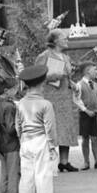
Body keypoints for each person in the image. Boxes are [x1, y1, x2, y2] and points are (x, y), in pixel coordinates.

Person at [16, 63, 61, 193]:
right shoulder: (45, 104)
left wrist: (22, 139)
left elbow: (18, 125)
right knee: (43, 174)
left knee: (26, 175)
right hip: (41, 140)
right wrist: (53, 145)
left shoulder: (20, 103)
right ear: (42, 83)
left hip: (25, 141)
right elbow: (50, 128)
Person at [36, 30, 81, 173]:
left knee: (65, 128)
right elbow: (37, 76)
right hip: (51, 97)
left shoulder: (66, 57)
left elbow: (67, 76)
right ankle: (48, 160)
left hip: (65, 98)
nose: (66, 39)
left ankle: (64, 161)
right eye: (63, 38)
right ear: (54, 41)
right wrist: (55, 75)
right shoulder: (44, 56)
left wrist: (72, 83)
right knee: (51, 128)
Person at [74, 63, 97, 170]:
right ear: (88, 72)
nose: (96, 72)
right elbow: (76, 99)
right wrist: (86, 110)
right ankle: (86, 161)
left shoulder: (96, 84)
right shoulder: (79, 85)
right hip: (85, 114)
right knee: (85, 138)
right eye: (94, 70)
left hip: (95, 113)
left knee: (95, 138)